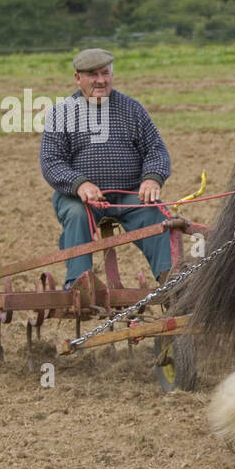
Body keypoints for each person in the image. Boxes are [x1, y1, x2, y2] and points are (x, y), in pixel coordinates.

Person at [40, 48, 173, 289]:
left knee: (156, 214)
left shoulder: (132, 109)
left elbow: (156, 150)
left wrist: (152, 179)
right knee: (77, 215)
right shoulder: (62, 113)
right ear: (77, 78)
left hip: (128, 195)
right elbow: (51, 161)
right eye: (92, 74)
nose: (100, 80)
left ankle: (172, 279)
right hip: (79, 200)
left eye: (105, 73)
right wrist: (81, 184)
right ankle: (80, 284)